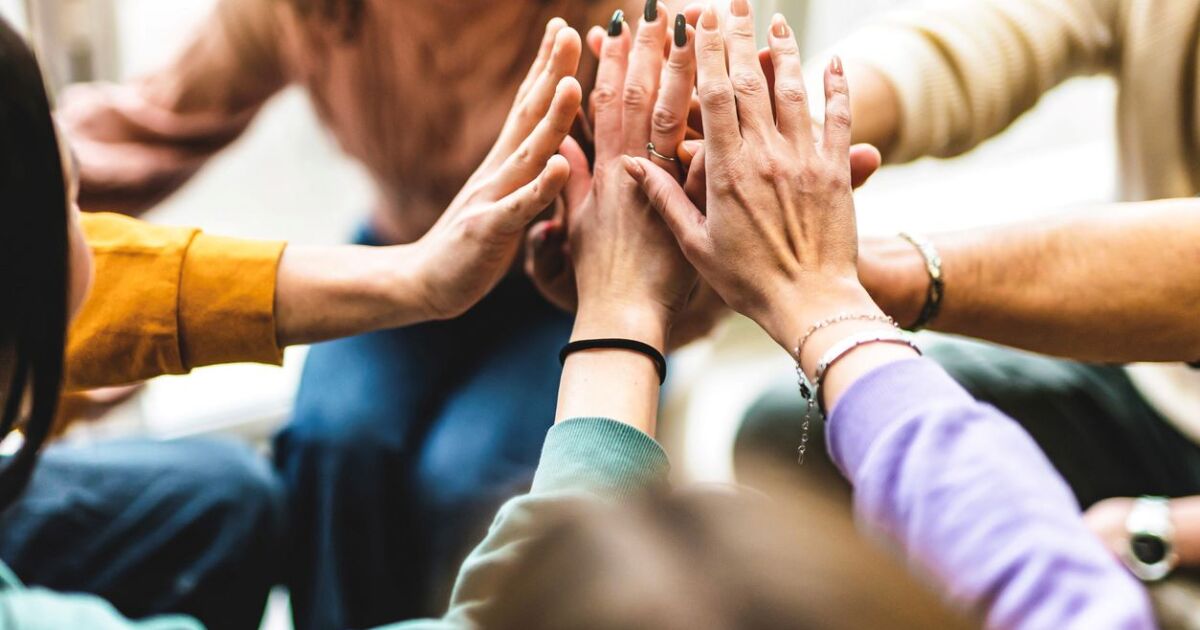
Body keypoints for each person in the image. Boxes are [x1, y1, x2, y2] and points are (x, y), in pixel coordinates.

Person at [56, 0, 641, 626]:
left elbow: (670, 227)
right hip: (404, 251)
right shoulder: (295, 11)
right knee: (331, 444)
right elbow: (148, 124)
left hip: (564, 285)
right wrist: (31, 157)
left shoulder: (613, 12)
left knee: (470, 479)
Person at [739, 0, 1200, 515]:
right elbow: (1004, 25)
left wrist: (869, 280)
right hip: (1151, 386)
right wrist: (797, 131)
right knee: (787, 437)